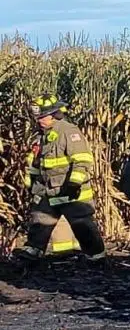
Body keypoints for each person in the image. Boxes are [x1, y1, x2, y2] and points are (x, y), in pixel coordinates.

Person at [13, 94, 107, 262]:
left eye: (42, 117)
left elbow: (82, 159)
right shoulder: (41, 135)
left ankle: (96, 257)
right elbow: (37, 162)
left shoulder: (68, 132)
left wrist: (74, 183)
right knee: (40, 220)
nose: (39, 120)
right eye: (37, 117)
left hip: (69, 190)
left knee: (81, 224)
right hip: (47, 190)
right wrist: (33, 183)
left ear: (54, 114)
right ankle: (33, 250)